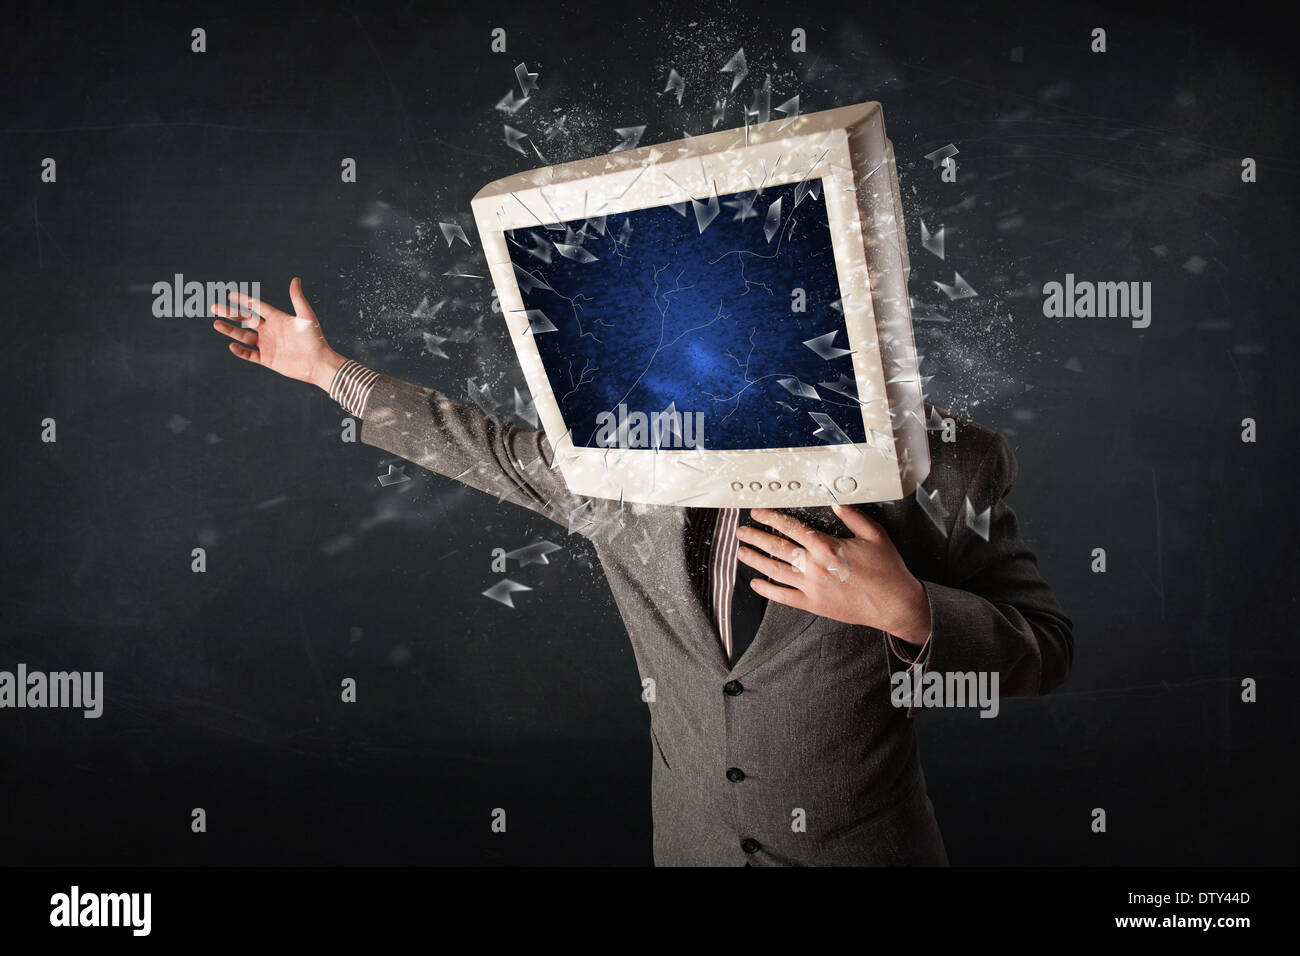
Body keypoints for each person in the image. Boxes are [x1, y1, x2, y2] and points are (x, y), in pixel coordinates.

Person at [212, 277, 1074, 866]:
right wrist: (327, 372)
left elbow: (1047, 649)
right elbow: (484, 448)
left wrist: (912, 611)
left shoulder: (942, 464)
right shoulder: (625, 463)